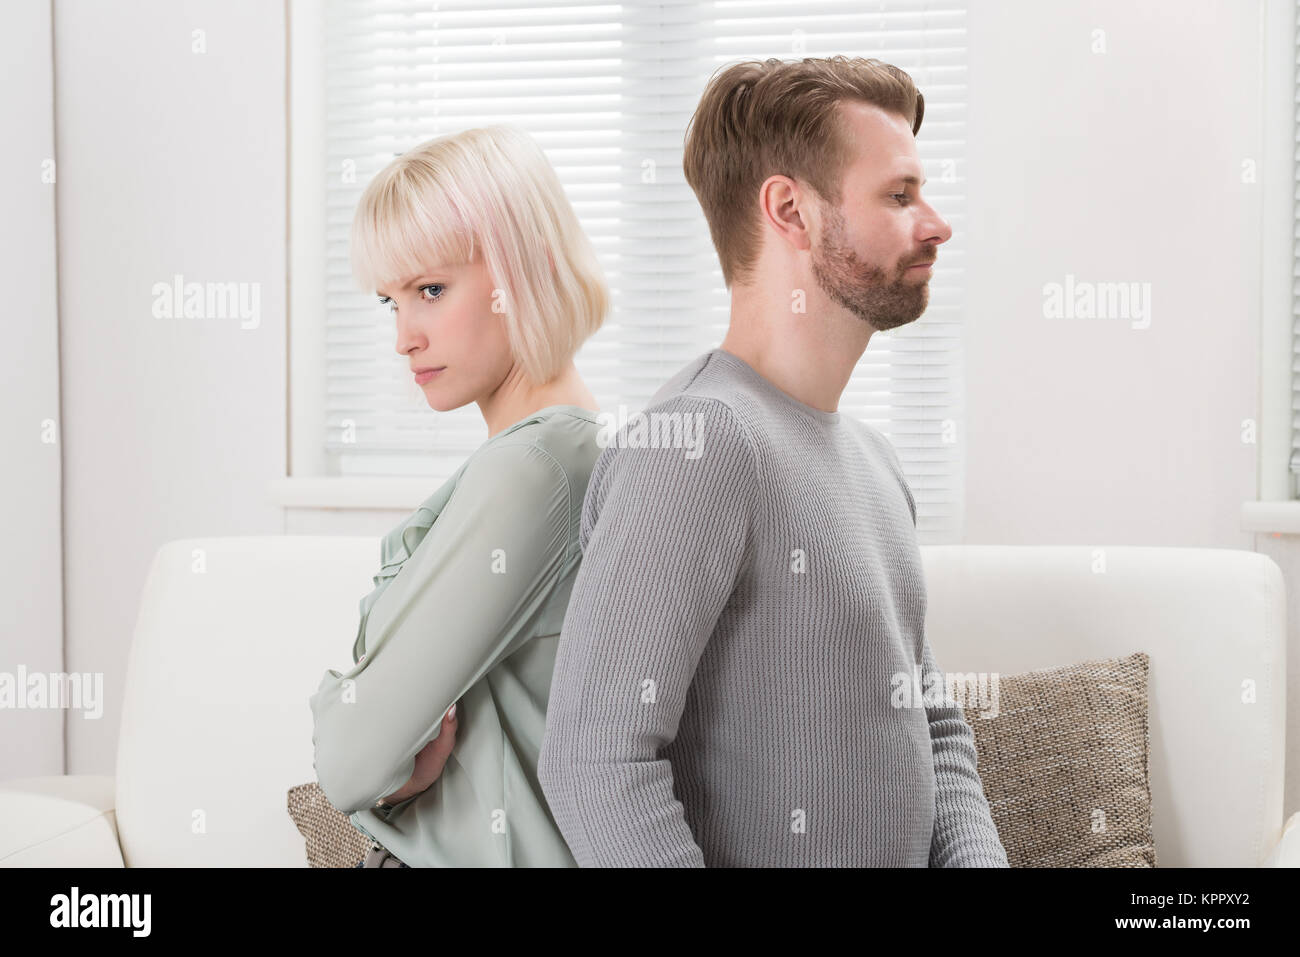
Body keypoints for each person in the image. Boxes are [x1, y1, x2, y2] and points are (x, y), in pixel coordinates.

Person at [537, 56, 1010, 867]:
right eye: (899, 195)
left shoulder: (872, 460)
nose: (935, 223)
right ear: (789, 208)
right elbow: (592, 763)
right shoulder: (696, 446)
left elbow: (933, 725)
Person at [309, 124, 608, 867]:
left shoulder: (537, 467)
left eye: (431, 289)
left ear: (527, 268)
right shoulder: (561, 453)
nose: (405, 336)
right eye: (391, 302)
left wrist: (385, 759)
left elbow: (348, 756)